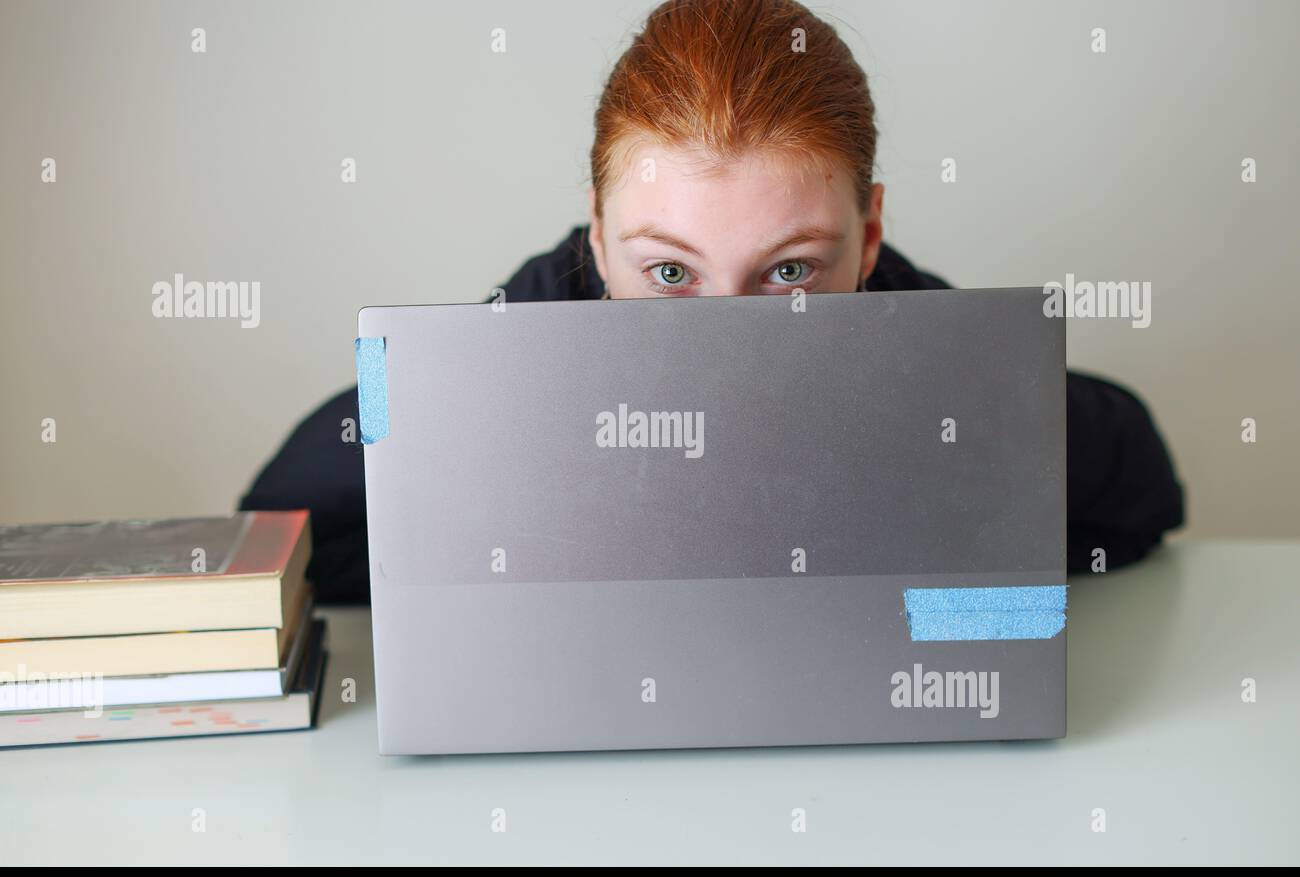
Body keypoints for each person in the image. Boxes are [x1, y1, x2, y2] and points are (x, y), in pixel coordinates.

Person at [241, 0, 1184, 604]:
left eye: (788, 272)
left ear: (867, 237)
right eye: (670, 273)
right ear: (599, 236)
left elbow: (1140, 497)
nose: (729, 341)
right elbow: (280, 522)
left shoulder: (913, 328)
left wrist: (929, 568)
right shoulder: (524, 326)